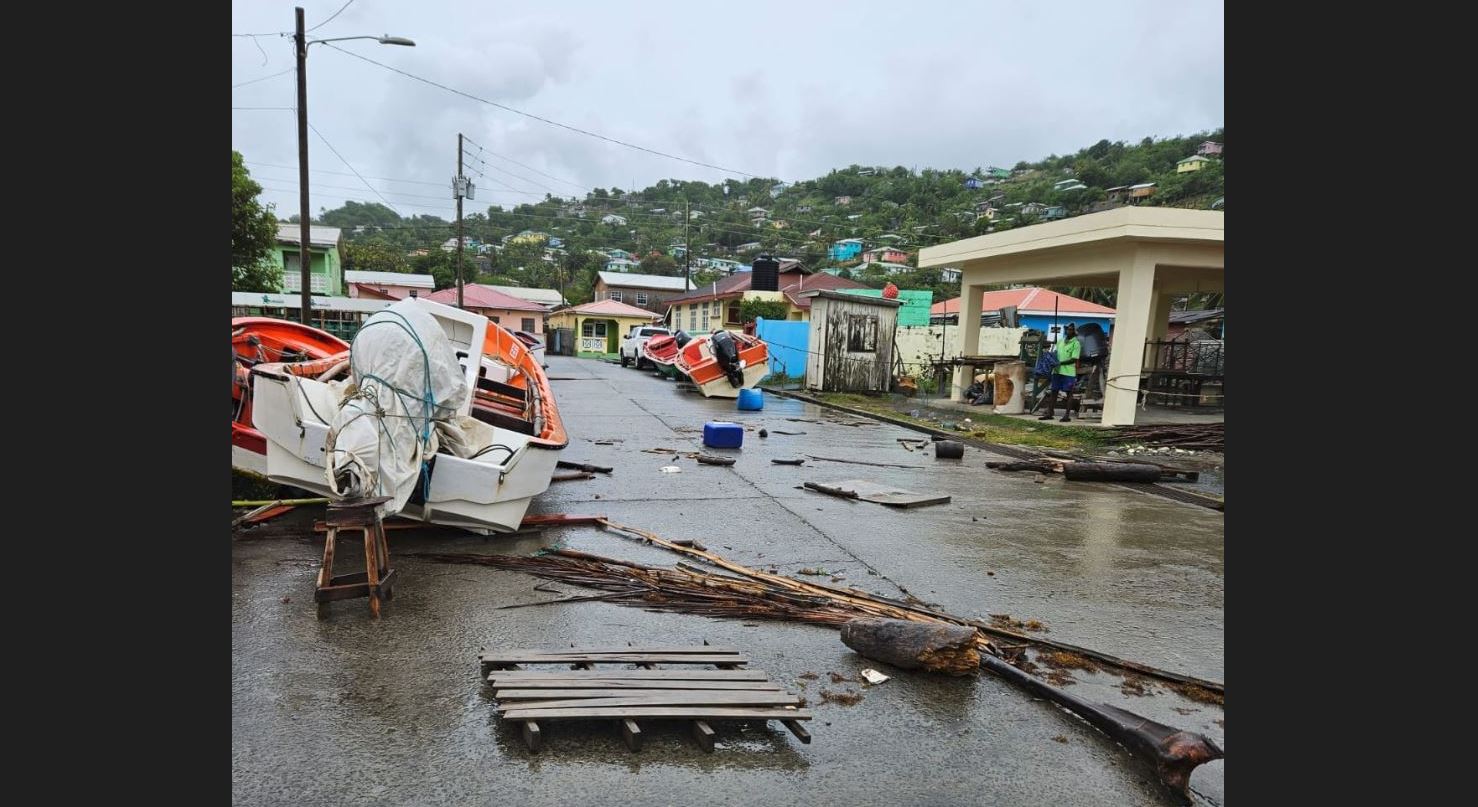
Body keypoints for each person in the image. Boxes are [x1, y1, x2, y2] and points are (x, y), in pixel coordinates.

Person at [1039, 323, 1080, 422]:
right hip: (1057, 371)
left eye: (1070, 330)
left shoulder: (1076, 343)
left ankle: (1067, 415)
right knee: (1054, 391)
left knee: (1069, 393)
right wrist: (1051, 359)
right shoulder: (1060, 341)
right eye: (1067, 329)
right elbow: (1056, 353)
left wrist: (1060, 363)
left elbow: (1074, 359)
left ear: (1074, 332)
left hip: (1068, 372)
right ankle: (1049, 413)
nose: (1068, 331)